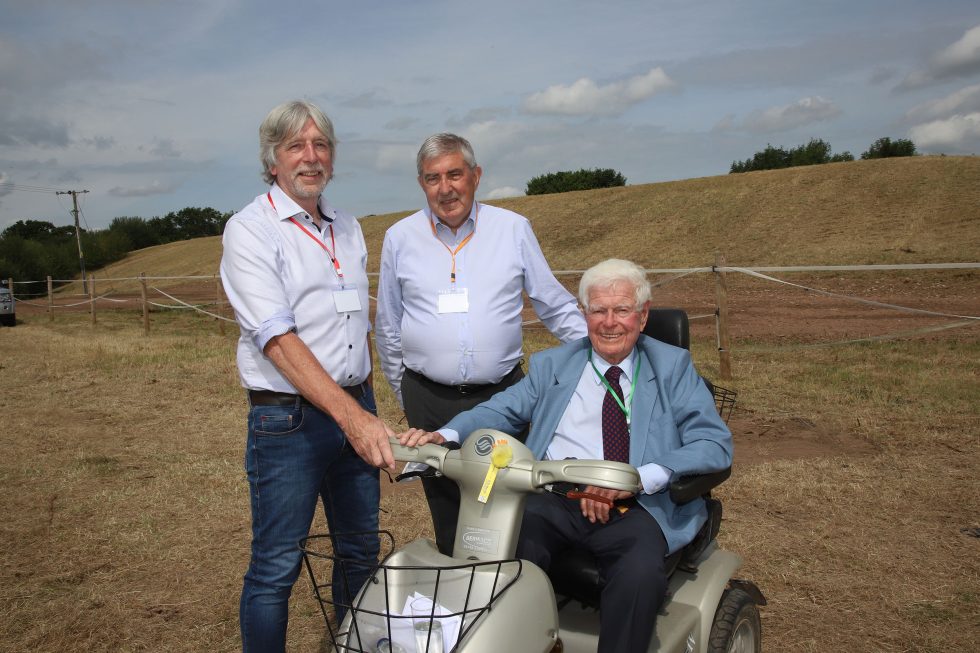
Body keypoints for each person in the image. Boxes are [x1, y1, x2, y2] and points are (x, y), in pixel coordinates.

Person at [398, 258, 733, 653]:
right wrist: (445, 433)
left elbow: (713, 443)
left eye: (622, 310)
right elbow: (501, 409)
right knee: (497, 552)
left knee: (639, 574)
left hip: (636, 505)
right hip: (553, 497)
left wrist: (640, 478)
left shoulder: (672, 366)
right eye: (599, 310)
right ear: (584, 314)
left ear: (642, 317)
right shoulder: (553, 364)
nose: (610, 322)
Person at [220, 100, 395, 653]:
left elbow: (351, 323)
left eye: (321, 145)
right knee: (276, 567)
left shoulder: (347, 227)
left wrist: (364, 402)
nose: (310, 157)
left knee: (360, 552)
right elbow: (277, 338)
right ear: (272, 161)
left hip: (354, 404)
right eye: (296, 146)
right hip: (288, 420)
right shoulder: (250, 230)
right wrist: (356, 420)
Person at [374, 133, 587, 554]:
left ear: (475, 176)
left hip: (503, 395)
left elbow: (553, 304)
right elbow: (388, 324)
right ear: (422, 184)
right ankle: (461, 603)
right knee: (447, 506)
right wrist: (408, 394)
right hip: (427, 399)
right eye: (433, 178)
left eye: (455, 174)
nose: (446, 187)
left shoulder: (513, 229)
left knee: (509, 501)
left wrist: (604, 356)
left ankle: (513, 595)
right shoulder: (399, 238)